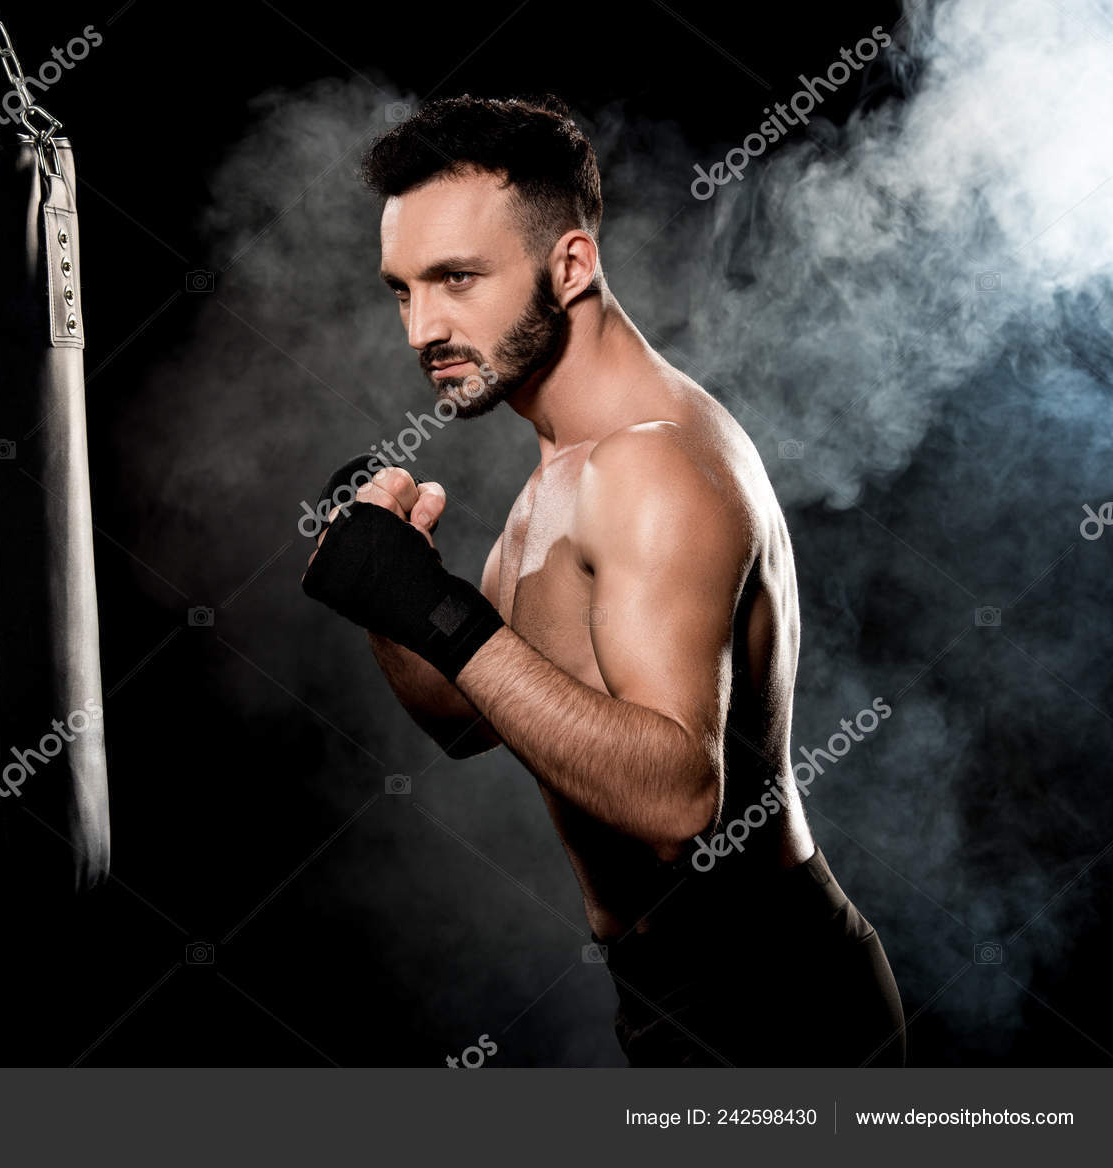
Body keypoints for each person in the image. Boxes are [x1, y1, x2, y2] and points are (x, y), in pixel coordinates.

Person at [301, 94, 905, 1066]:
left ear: (571, 264)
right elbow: (468, 717)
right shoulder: (559, 472)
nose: (422, 328)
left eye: (457, 278)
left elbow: (679, 805)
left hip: (774, 1000)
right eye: (401, 290)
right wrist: (390, 592)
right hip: (668, 990)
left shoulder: (649, 464)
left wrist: (433, 610)